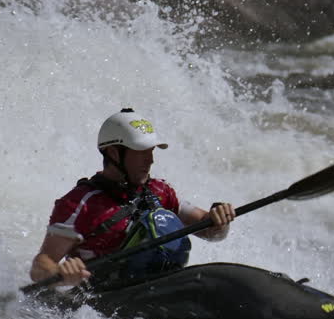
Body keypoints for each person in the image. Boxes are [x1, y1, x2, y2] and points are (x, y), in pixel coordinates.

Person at [29, 108, 236, 288]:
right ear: (114, 153)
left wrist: (219, 220)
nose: (150, 160)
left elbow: (210, 232)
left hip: (161, 289)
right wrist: (60, 273)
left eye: (151, 151)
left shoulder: (161, 191)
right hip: (106, 301)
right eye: (141, 152)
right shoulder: (80, 205)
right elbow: (40, 266)